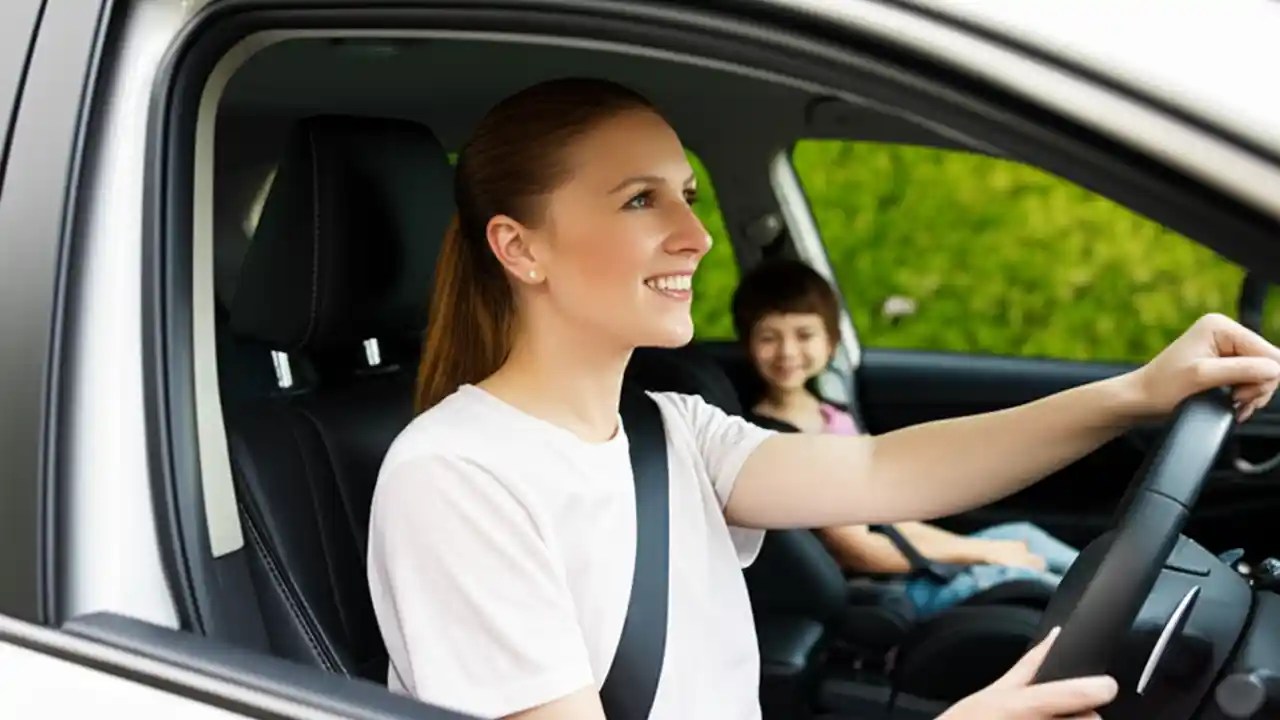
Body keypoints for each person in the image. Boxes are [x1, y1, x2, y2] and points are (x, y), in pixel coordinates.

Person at [365, 77, 1280, 720]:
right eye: (641, 201)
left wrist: (1134, 394)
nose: (696, 236)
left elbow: (886, 468)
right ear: (521, 249)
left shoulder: (668, 429)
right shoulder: (457, 476)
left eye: (687, 196)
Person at [731, 258, 1080, 617]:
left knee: (1023, 536)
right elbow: (859, 549)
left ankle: (1135, 601)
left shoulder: (829, 414)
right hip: (885, 592)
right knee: (1016, 574)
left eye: (804, 335)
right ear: (747, 345)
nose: (787, 352)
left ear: (831, 340)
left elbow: (890, 510)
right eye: (769, 337)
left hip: (910, 564)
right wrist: (980, 553)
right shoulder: (778, 444)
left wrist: (973, 547)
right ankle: (1125, 625)